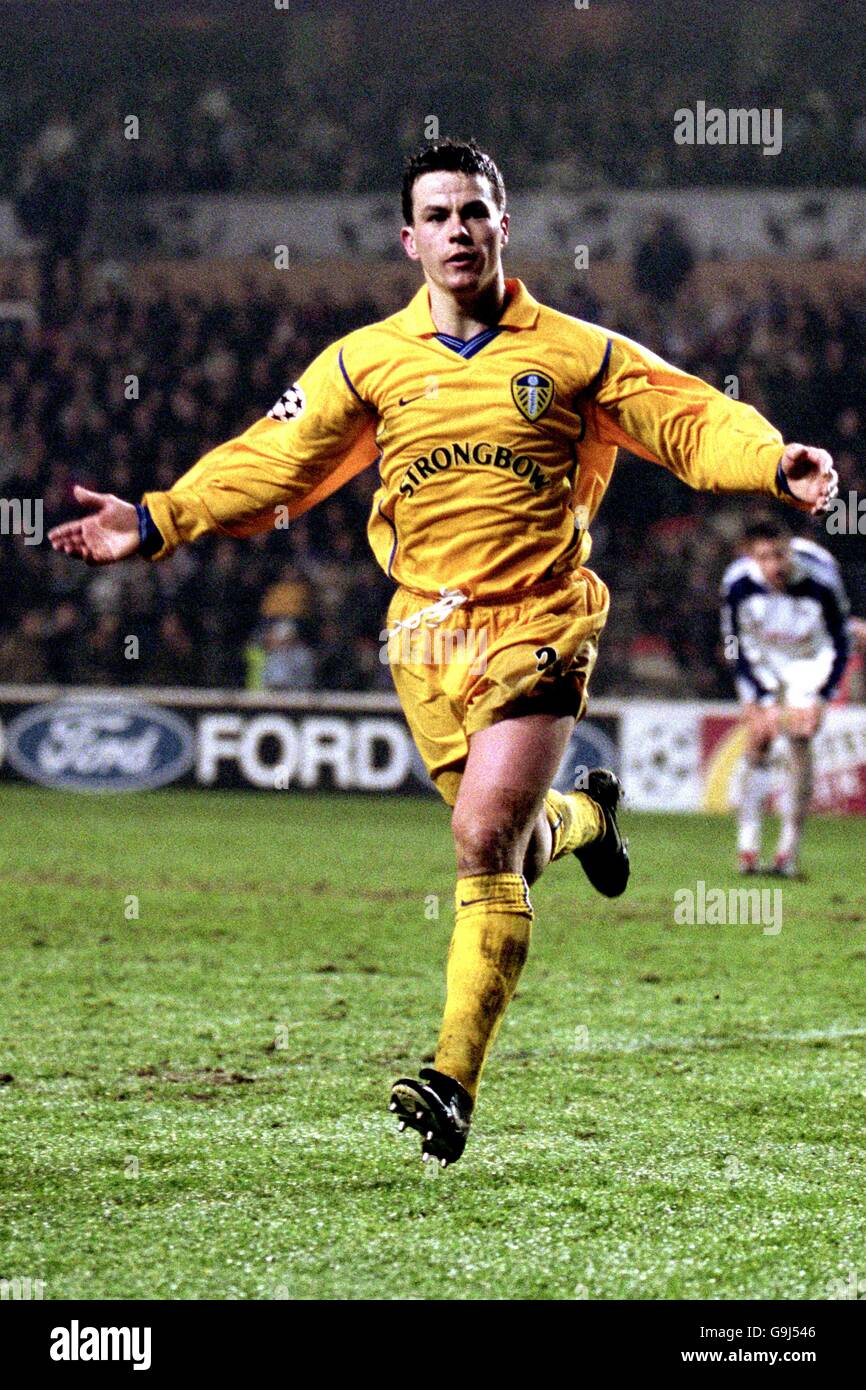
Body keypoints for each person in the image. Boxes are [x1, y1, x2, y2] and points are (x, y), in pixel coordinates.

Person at [49, 139, 838, 1167]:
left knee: (479, 836)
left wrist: (771, 460)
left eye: (473, 211)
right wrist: (158, 519)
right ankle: (587, 818)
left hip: (539, 620)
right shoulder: (364, 362)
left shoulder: (576, 353)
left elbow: (690, 418)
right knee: (509, 842)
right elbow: (274, 461)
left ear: (502, 225)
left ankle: (450, 1081)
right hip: (425, 638)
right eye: (437, 215)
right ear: (407, 238)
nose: (457, 230)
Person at [720, 520, 850, 878]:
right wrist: (755, 698)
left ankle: (786, 854)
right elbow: (732, 642)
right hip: (763, 658)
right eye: (764, 557)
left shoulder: (822, 579)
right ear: (751, 557)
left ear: (789, 549)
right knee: (759, 737)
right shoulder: (737, 583)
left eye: (780, 555)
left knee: (800, 738)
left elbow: (841, 643)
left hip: (809, 660)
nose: (774, 565)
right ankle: (748, 848)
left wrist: (822, 697)